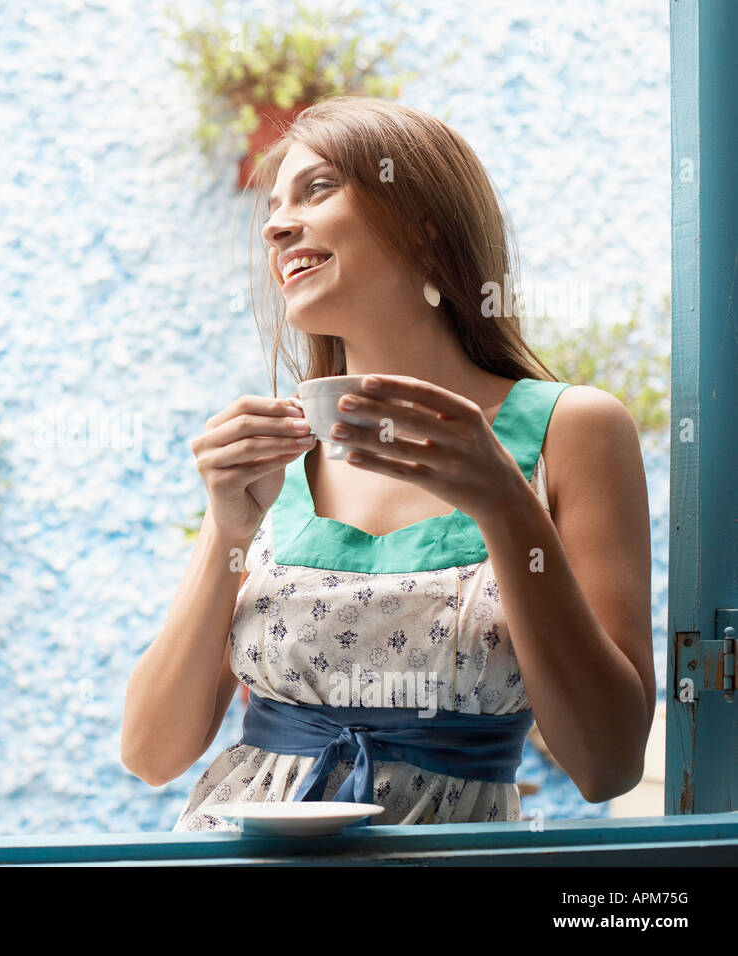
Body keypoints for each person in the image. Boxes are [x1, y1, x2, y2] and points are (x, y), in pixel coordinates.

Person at [119, 95, 655, 829]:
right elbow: (152, 754)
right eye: (274, 205)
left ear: (426, 230)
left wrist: (504, 504)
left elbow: (607, 764)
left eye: (317, 189)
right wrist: (227, 530)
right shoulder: (278, 449)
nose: (275, 225)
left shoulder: (574, 430)